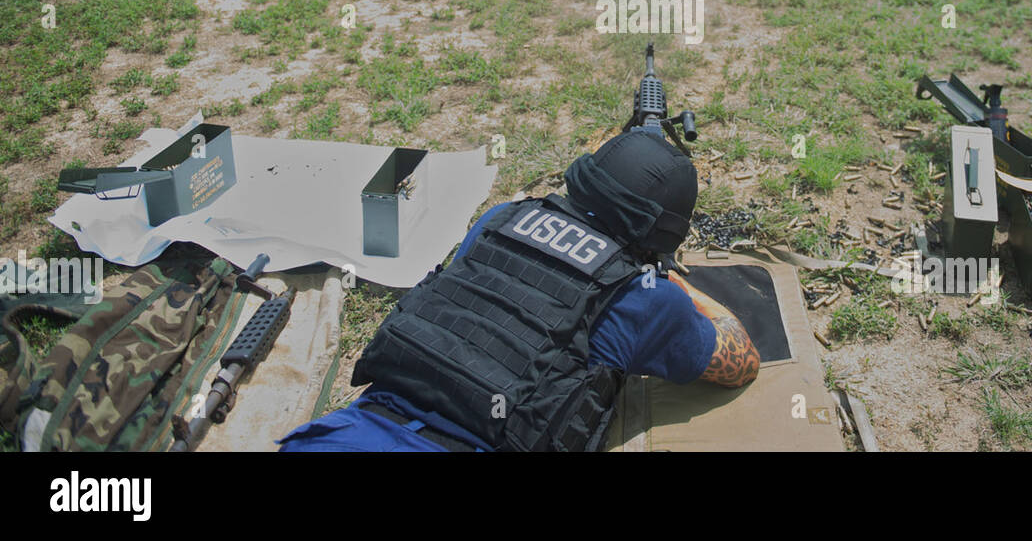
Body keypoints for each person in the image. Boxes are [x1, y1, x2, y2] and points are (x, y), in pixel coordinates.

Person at [278, 129, 759, 452]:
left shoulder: (500, 220)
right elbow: (741, 360)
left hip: (346, 434)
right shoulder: (645, 300)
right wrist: (667, 281)